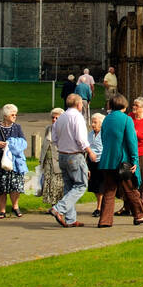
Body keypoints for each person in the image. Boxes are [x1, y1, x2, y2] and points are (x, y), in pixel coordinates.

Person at [97, 94, 143, 228]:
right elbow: (132, 143)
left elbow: (103, 139)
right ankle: (140, 215)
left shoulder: (106, 120)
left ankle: (105, 220)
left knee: (109, 191)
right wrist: (135, 161)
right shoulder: (127, 120)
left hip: (106, 161)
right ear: (124, 105)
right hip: (121, 161)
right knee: (130, 189)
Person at [49, 92, 97, 227]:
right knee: (81, 185)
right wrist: (90, 151)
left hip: (62, 155)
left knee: (68, 186)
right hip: (74, 155)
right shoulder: (77, 117)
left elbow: (54, 138)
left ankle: (70, 219)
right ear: (78, 104)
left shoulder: (61, 117)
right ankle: (59, 208)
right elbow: (81, 138)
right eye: (81, 103)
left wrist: (62, 147)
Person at [0, 103, 28, 218]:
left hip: (13, 161)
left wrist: (13, 145)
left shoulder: (17, 127)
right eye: (12, 114)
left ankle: (15, 207)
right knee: (0, 186)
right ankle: (2, 210)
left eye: (16, 115)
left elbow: (23, 142)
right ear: (5, 115)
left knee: (15, 185)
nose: (15, 116)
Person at [38, 106, 65, 211]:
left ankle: (60, 207)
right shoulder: (48, 128)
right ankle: (53, 206)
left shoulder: (64, 130)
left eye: (57, 118)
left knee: (58, 184)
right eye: (53, 118)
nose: (54, 120)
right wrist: (41, 160)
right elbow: (45, 144)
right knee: (49, 184)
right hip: (48, 161)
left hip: (58, 160)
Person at [88, 111, 105, 217]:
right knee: (93, 186)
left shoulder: (104, 134)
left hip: (101, 161)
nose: (92, 124)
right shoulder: (90, 134)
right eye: (92, 122)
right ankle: (100, 205)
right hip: (91, 162)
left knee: (100, 186)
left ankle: (99, 207)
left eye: (95, 122)